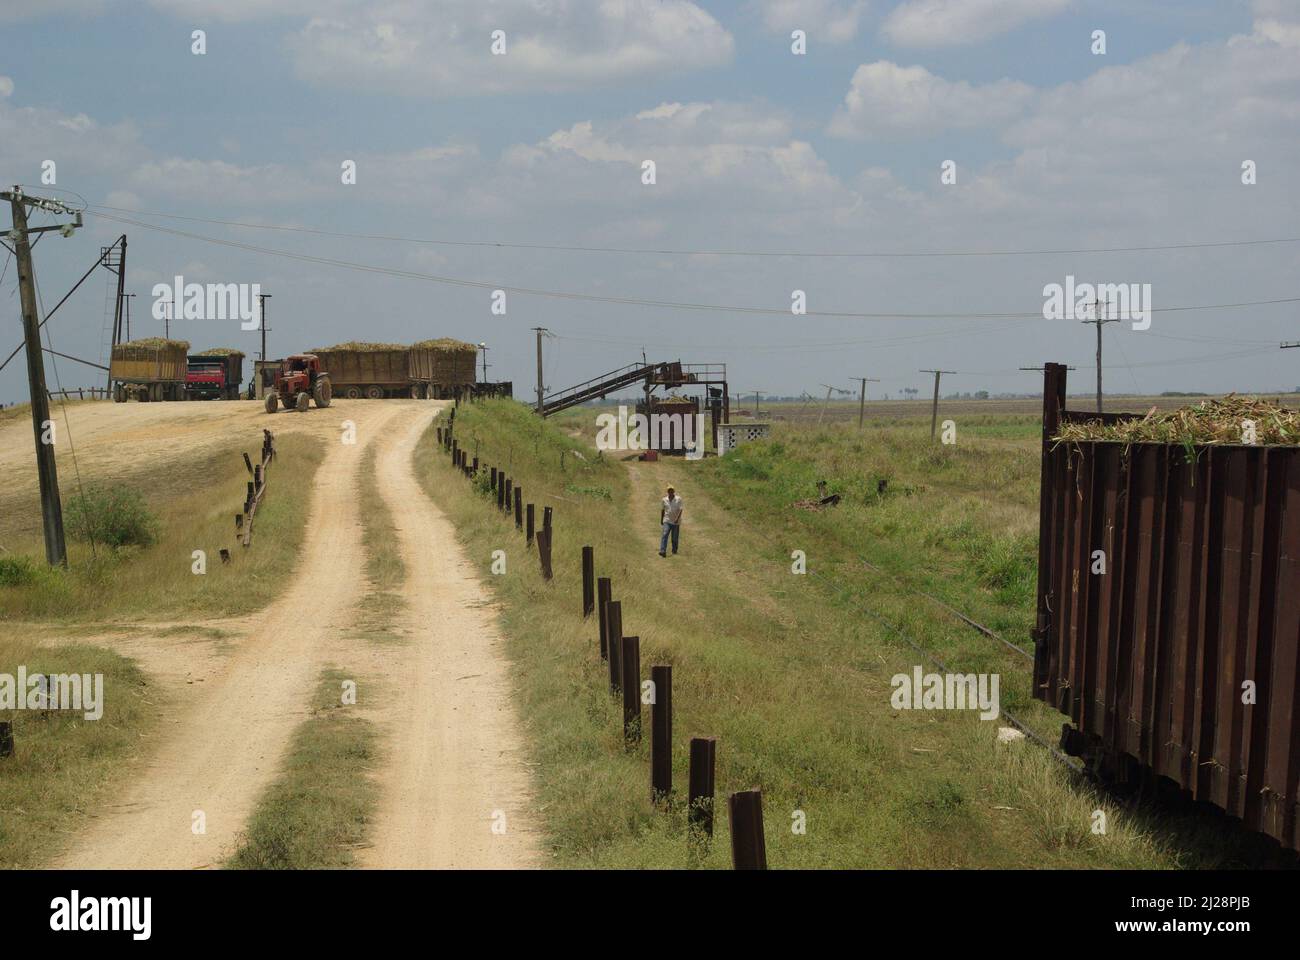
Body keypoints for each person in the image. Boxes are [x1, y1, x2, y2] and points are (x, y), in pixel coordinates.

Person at [659, 486, 683, 557]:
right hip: (667, 520)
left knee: (674, 537)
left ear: (674, 491)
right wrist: (661, 519)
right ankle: (662, 551)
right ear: (667, 491)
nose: (670, 492)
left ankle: (674, 550)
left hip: (676, 522)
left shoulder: (678, 499)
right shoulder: (664, 499)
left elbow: (681, 509)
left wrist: (677, 519)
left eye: (671, 490)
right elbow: (663, 510)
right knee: (665, 534)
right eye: (669, 490)